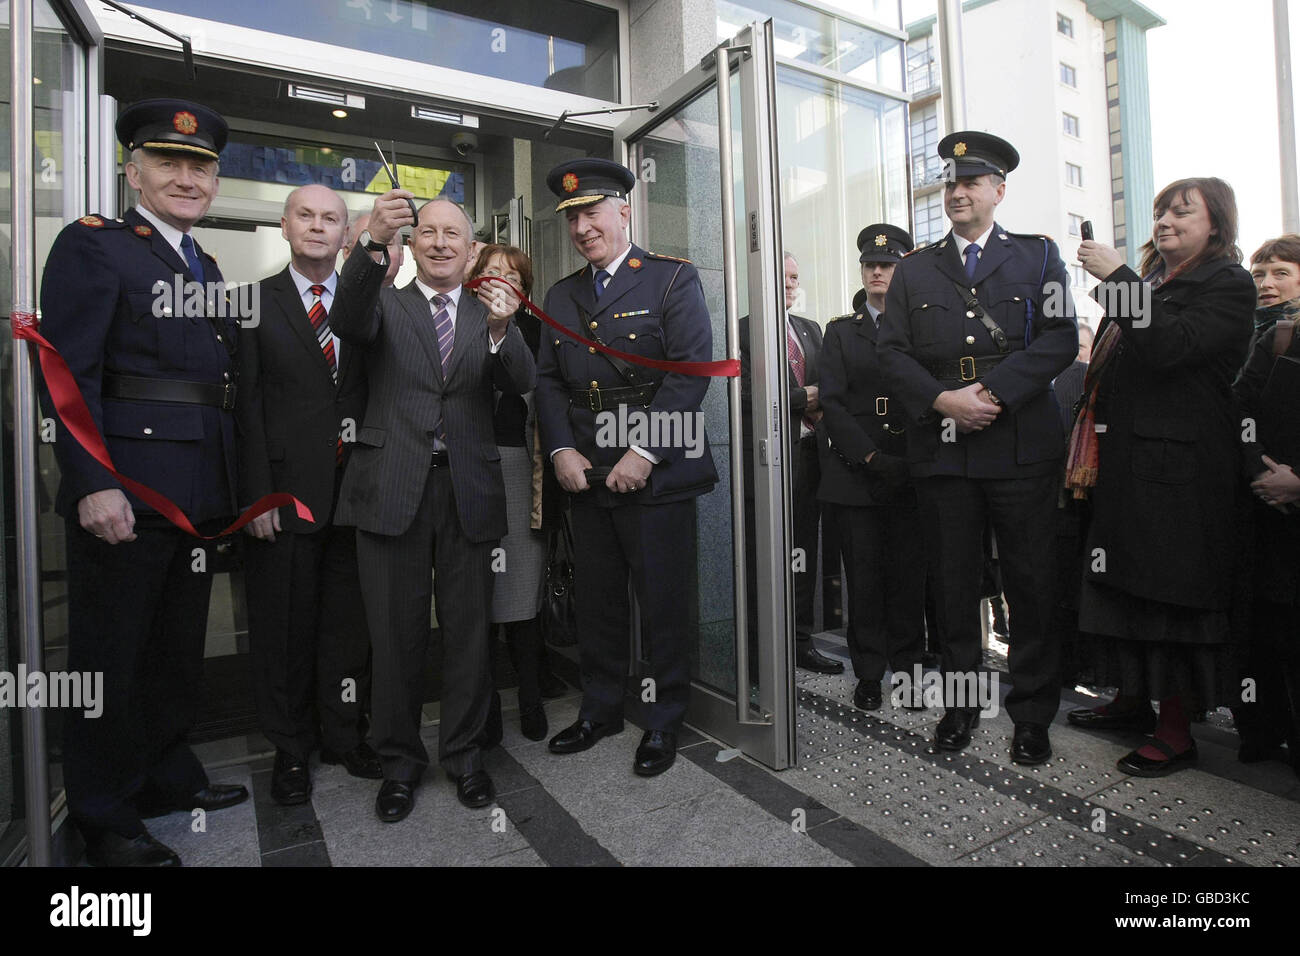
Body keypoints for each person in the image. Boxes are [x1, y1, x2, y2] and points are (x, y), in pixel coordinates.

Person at [36, 98, 247, 866]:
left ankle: (163, 774)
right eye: (170, 162)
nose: (187, 178)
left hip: (194, 497)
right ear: (134, 170)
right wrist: (92, 482)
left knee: (171, 652)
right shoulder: (96, 247)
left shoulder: (204, 263)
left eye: (201, 167)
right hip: (126, 490)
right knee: (109, 659)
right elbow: (66, 373)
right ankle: (102, 813)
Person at [329, 191, 534, 820]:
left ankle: (467, 756)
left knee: (470, 634)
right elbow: (345, 319)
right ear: (412, 246)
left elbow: (522, 381)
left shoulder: (488, 314)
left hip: (466, 490)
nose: (441, 242)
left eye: (455, 235)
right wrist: (370, 244)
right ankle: (398, 763)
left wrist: (503, 330)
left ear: (473, 251)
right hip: (393, 488)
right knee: (395, 633)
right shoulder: (383, 302)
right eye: (429, 232)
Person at [877, 131, 1078, 765]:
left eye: (971, 182)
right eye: (949, 183)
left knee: (1031, 581)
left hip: (1020, 443)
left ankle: (1033, 713)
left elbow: (1058, 338)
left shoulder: (1040, 257)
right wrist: (944, 403)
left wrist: (987, 393)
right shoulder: (914, 268)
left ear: (999, 190)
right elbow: (890, 352)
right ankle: (961, 706)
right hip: (943, 448)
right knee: (954, 583)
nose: (957, 192)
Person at [535, 158, 717, 776]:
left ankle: (665, 720)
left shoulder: (670, 280)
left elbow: (690, 374)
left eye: (592, 212)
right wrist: (560, 450)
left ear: (623, 211)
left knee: (663, 603)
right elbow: (547, 383)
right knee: (599, 602)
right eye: (573, 218)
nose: (583, 227)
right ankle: (601, 708)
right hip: (585, 473)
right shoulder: (561, 294)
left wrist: (642, 453)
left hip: (657, 471)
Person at [1068, 177, 1255, 776]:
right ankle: (1129, 699)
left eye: (1182, 212)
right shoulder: (1151, 284)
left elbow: (1170, 347)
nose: (1166, 221)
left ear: (1216, 225)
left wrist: (1117, 280)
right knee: (1123, 588)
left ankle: (1175, 731)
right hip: (1128, 466)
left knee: (1171, 599)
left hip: (1184, 475)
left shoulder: (1228, 282)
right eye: (1160, 212)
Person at [236, 184, 379, 807]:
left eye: (331, 218)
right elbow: (242, 409)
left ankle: (345, 735)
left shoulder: (367, 303)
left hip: (356, 498)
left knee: (348, 630)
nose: (318, 227)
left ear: (347, 233)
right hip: (286, 499)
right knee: (285, 629)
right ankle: (291, 750)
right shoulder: (251, 303)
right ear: (286, 226)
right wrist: (256, 496)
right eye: (306, 216)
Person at [818, 224, 925, 710]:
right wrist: (869, 457)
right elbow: (833, 405)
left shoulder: (920, 326)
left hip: (911, 471)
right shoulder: (841, 330)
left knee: (908, 578)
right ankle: (868, 674)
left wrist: (909, 460)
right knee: (863, 579)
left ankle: (908, 674)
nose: (878, 270)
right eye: (870, 264)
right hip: (857, 473)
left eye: (888, 264)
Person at [467, 244, 567, 742]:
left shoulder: (536, 333)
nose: (500, 280)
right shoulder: (454, 323)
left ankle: (530, 698)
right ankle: (482, 710)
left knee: (522, 601)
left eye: (512, 275)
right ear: (473, 278)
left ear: (525, 291)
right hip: (465, 475)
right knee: (475, 604)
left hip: (521, 477)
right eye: (490, 272)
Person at [738, 252, 841, 673]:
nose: (789, 284)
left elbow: (833, 384)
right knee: (760, 555)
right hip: (763, 461)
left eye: (794, 277)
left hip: (810, 458)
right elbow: (743, 394)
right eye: (781, 277)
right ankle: (759, 652)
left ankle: (800, 642)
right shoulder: (739, 330)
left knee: (803, 552)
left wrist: (820, 398)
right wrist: (803, 399)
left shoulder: (811, 330)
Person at [1228, 234, 1300, 774]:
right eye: (1260, 275)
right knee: (1261, 632)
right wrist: (1259, 474)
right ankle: (1261, 730)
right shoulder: (1254, 338)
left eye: (1281, 273)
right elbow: (1240, 415)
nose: (1268, 285)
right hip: (1258, 509)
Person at [345, 213, 404, 287]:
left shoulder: (411, 298)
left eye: (387, 242)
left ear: (401, 255)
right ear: (347, 252)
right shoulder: (332, 297)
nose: (378, 252)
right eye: (367, 242)